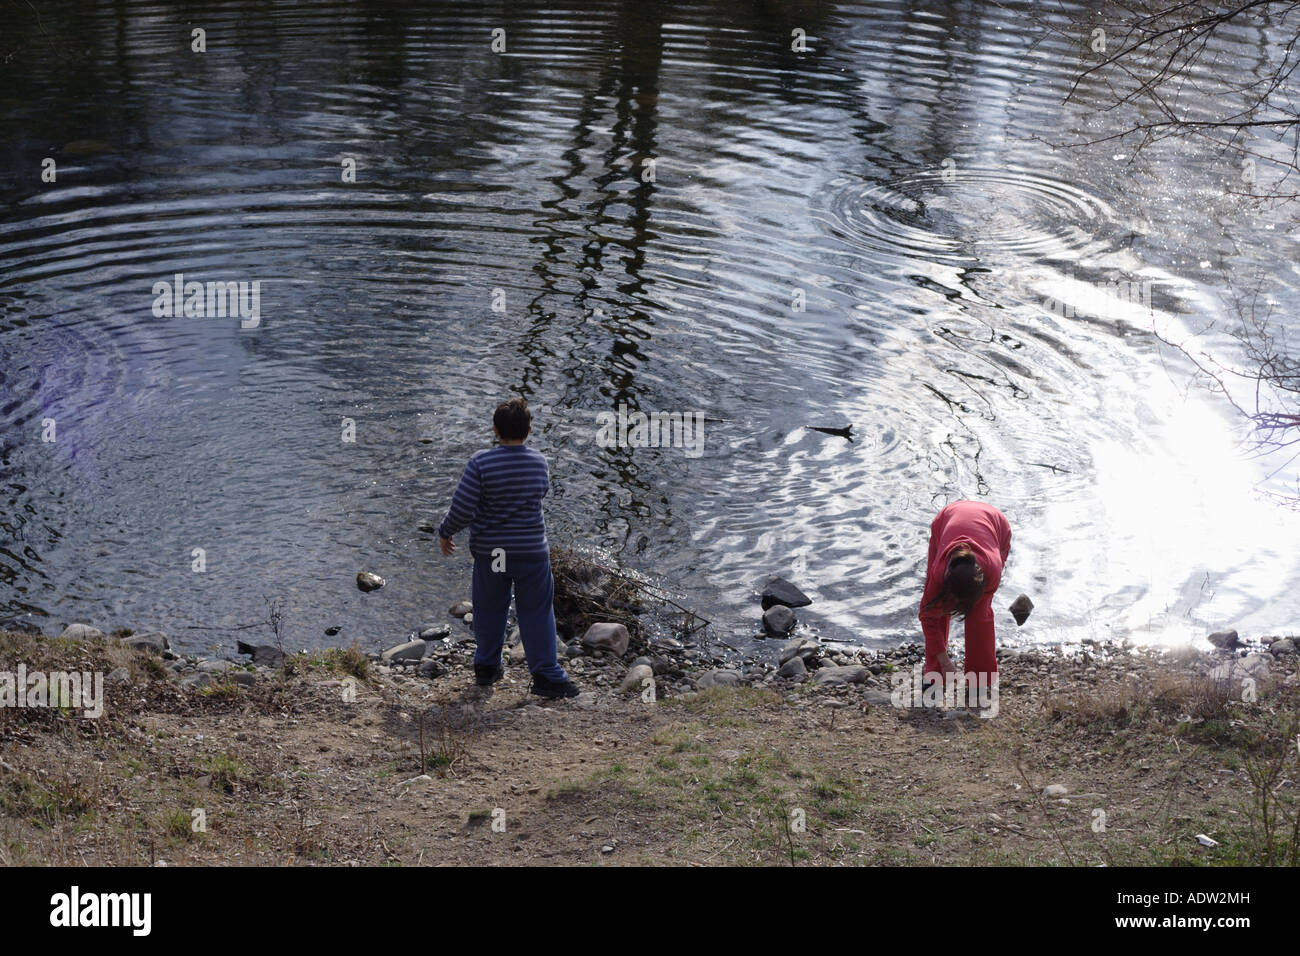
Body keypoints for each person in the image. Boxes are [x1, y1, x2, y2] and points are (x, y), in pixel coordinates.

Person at [437, 398, 580, 699]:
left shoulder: (480, 463)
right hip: (530, 553)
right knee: (537, 611)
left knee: (489, 609)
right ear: (529, 430)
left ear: (495, 430)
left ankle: (487, 667)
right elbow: (540, 493)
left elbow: (463, 507)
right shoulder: (539, 462)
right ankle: (546, 675)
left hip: (494, 554)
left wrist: (446, 531)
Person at [918, 500, 1012, 705]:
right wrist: (944, 660)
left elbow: (978, 608)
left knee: (979, 615)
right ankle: (936, 674)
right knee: (937, 608)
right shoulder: (939, 574)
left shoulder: (991, 572)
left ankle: (979, 679)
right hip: (948, 518)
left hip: (996, 524)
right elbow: (927, 616)